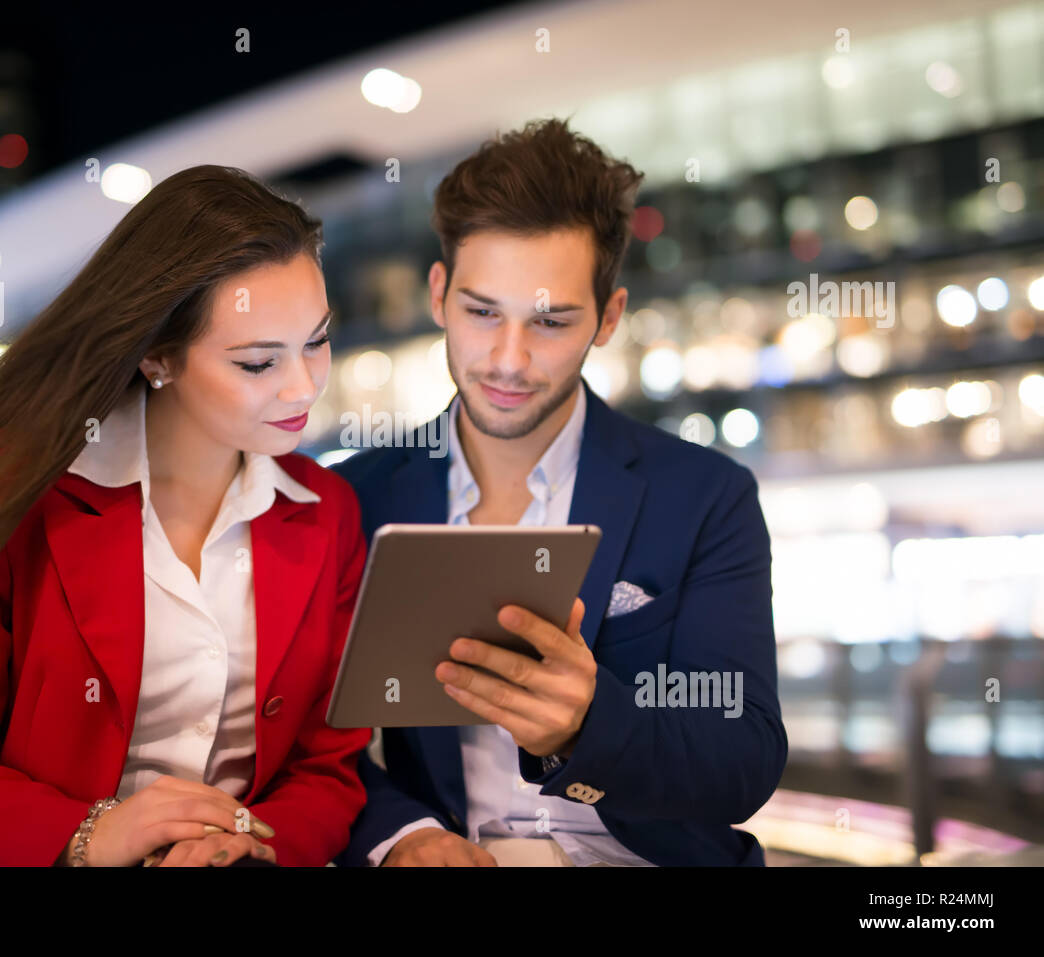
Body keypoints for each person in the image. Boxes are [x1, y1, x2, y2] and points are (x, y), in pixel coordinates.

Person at [0, 165, 370, 867]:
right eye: (258, 362)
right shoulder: (3, 485)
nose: (304, 383)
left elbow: (326, 768)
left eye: (316, 340)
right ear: (158, 357)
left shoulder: (327, 512)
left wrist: (247, 850)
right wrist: (88, 835)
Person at [332, 117, 787, 867]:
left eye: (549, 321)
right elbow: (305, 754)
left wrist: (588, 725)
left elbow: (743, 755)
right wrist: (404, 836)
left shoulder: (706, 496)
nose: (508, 360)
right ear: (439, 295)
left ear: (607, 318)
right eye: (482, 313)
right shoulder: (359, 498)